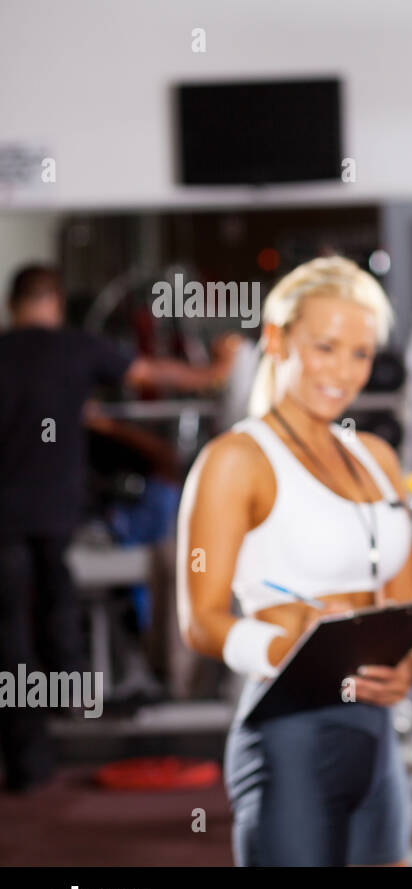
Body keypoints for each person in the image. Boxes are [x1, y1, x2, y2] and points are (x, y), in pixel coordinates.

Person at [177, 256, 412, 866]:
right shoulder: (236, 459)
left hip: (375, 735)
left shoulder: (376, 456)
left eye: (361, 354)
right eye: (326, 347)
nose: (343, 371)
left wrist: (409, 667)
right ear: (277, 338)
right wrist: (288, 648)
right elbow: (200, 621)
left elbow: (406, 610)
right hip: (290, 734)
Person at [0, 263, 236, 792]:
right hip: (56, 517)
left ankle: (28, 764)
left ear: (14, 304)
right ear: (55, 302)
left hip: (7, 520)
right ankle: (69, 698)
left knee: (11, 636)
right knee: (53, 613)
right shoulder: (76, 348)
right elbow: (154, 374)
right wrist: (215, 372)